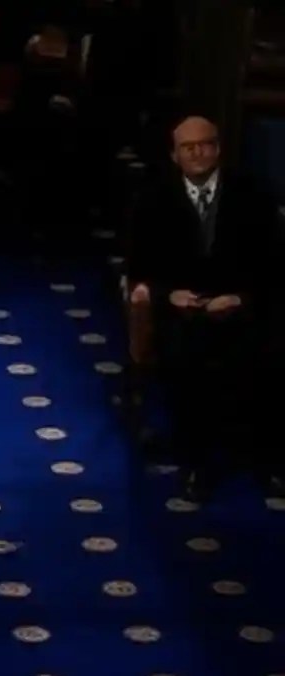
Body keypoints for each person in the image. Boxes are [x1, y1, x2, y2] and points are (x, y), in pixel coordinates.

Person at [126, 114, 283, 502]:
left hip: (241, 304)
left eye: (206, 144)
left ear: (218, 148)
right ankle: (195, 464)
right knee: (188, 356)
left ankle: (267, 461)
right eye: (188, 147)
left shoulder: (252, 195)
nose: (198, 153)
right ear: (174, 155)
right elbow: (139, 266)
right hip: (183, 309)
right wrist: (169, 295)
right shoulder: (152, 198)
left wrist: (240, 298)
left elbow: (272, 263)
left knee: (264, 354)